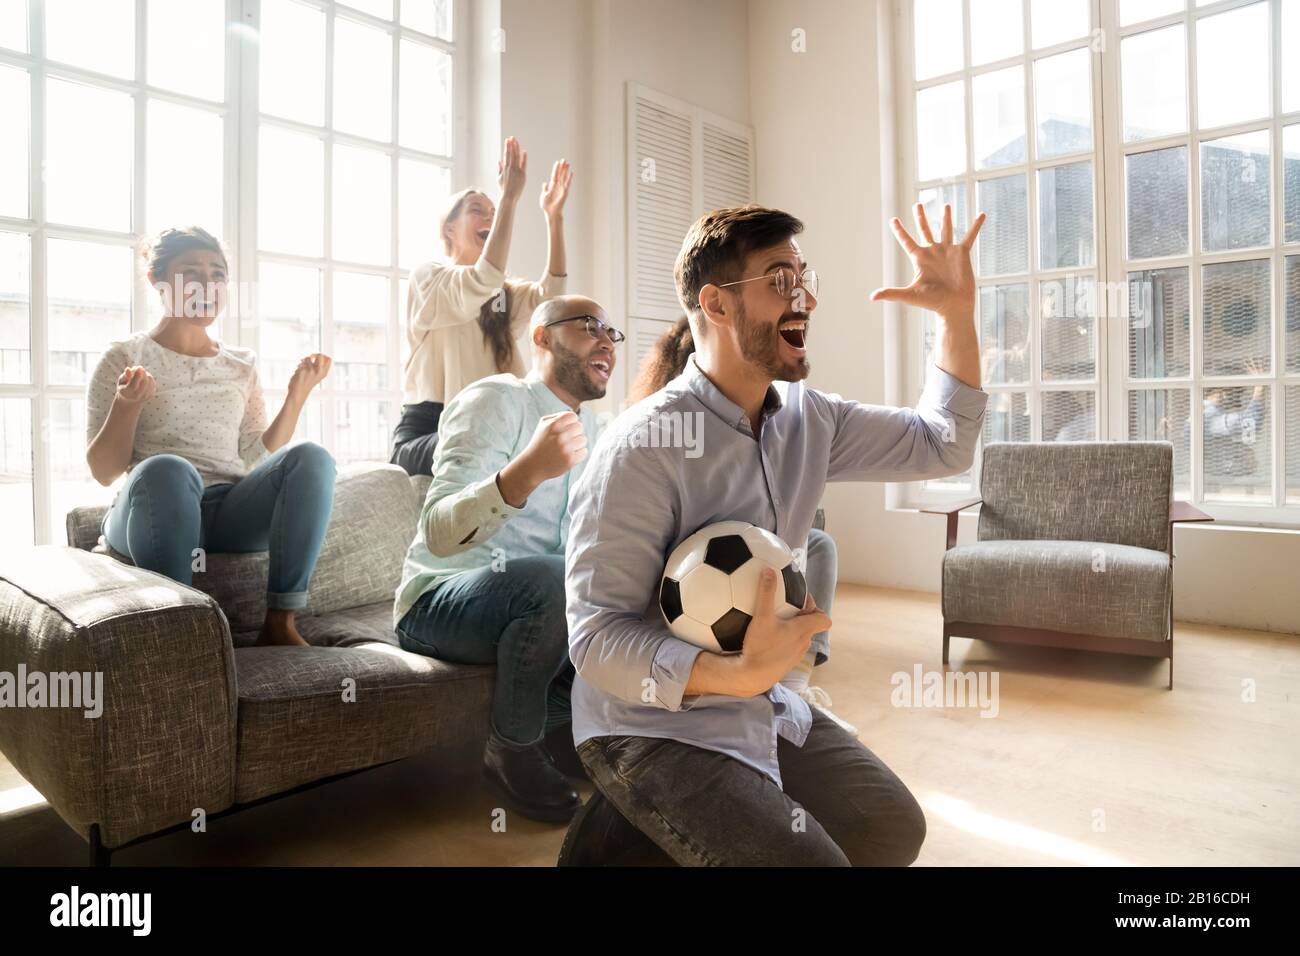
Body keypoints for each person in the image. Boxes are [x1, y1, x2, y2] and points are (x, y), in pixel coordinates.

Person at [560, 203, 988, 866]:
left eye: (803, 278)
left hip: (758, 699)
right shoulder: (641, 448)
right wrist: (733, 673)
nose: (806, 298)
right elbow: (595, 639)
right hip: (643, 725)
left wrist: (955, 315)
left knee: (890, 828)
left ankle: (620, 842)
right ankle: (627, 816)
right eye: (781, 281)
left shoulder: (811, 420)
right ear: (717, 304)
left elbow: (943, 443)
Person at [394, 294, 619, 823]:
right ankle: (511, 746)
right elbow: (440, 530)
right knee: (554, 577)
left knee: (612, 590)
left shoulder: (602, 433)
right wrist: (525, 474)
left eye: (613, 333)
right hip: (441, 601)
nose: (607, 340)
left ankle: (562, 734)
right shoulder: (496, 399)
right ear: (541, 336)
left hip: (540, 614)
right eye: (590, 326)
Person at [86, 226, 336, 647]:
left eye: (217, 274)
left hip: (228, 512)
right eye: (192, 272)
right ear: (158, 281)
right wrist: (127, 405)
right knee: (168, 468)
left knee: (311, 456)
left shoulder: (240, 364)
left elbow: (255, 452)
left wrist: (297, 395)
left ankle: (280, 620)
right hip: (153, 508)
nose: (207, 284)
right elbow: (103, 471)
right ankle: (183, 632)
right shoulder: (124, 357)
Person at [629, 315, 853, 734]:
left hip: (743, 553)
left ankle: (795, 680)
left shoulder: (780, 419)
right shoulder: (659, 431)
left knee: (818, 544)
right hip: (686, 583)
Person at [391, 136, 573, 475]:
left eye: (493, 213)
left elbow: (551, 300)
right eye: (477, 211)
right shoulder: (429, 279)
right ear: (448, 228)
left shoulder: (502, 293)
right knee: (494, 442)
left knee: (553, 436)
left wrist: (554, 218)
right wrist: (508, 199)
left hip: (487, 421)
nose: (489, 217)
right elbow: (480, 282)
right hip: (428, 430)